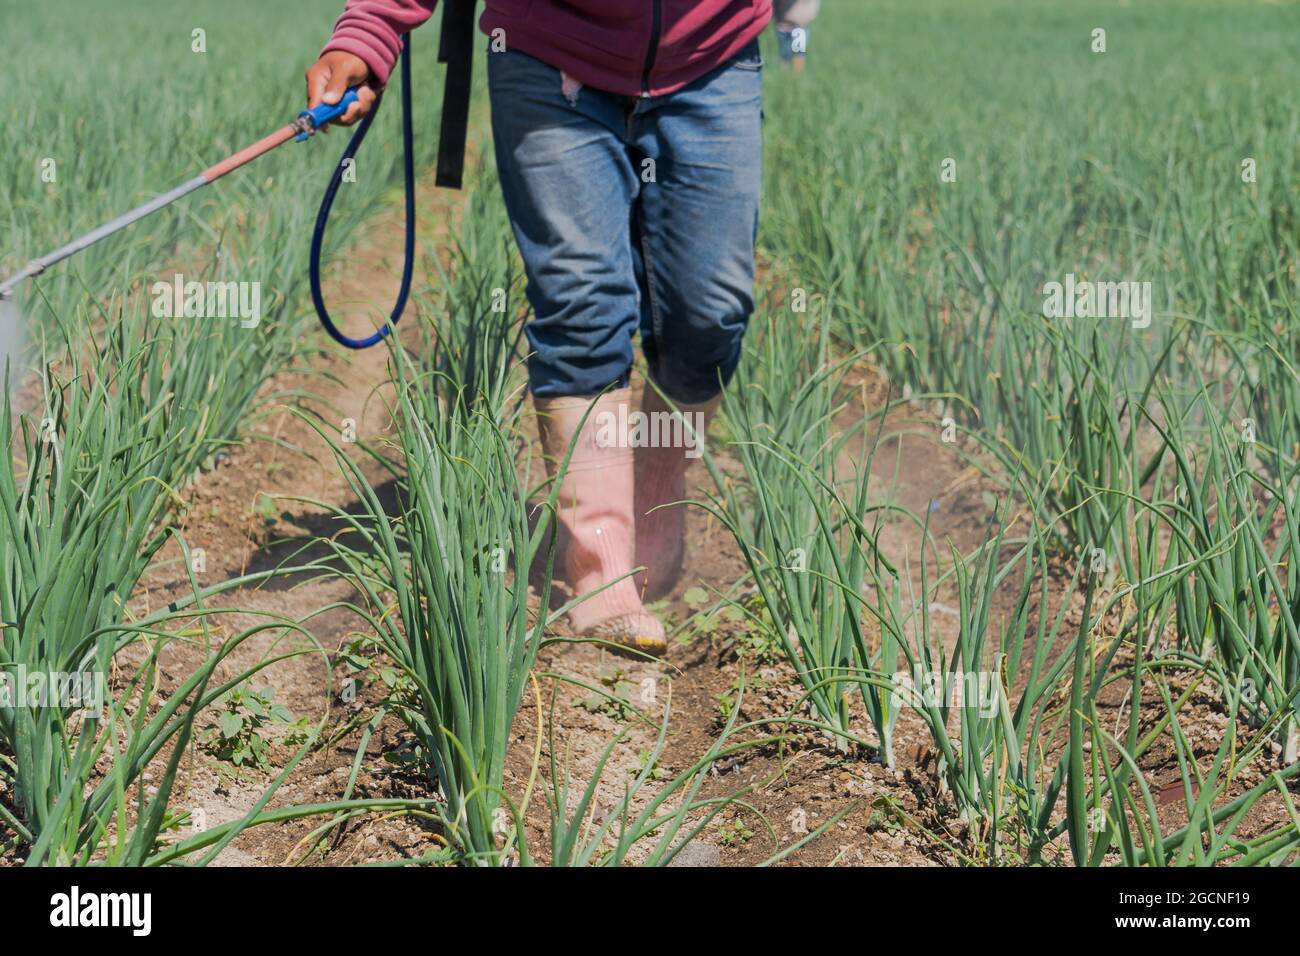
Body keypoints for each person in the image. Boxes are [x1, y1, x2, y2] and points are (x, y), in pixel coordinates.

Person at [305, 1, 769, 656]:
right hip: (552, 48)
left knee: (710, 310)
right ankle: (600, 566)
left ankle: (655, 501)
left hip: (712, 54)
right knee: (582, 300)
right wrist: (371, 30)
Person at [773, 0, 819, 72]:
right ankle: (785, 76)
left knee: (798, 53)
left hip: (799, 26)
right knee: (785, 54)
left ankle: (797, 76)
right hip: (782, 25)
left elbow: (812, 6)